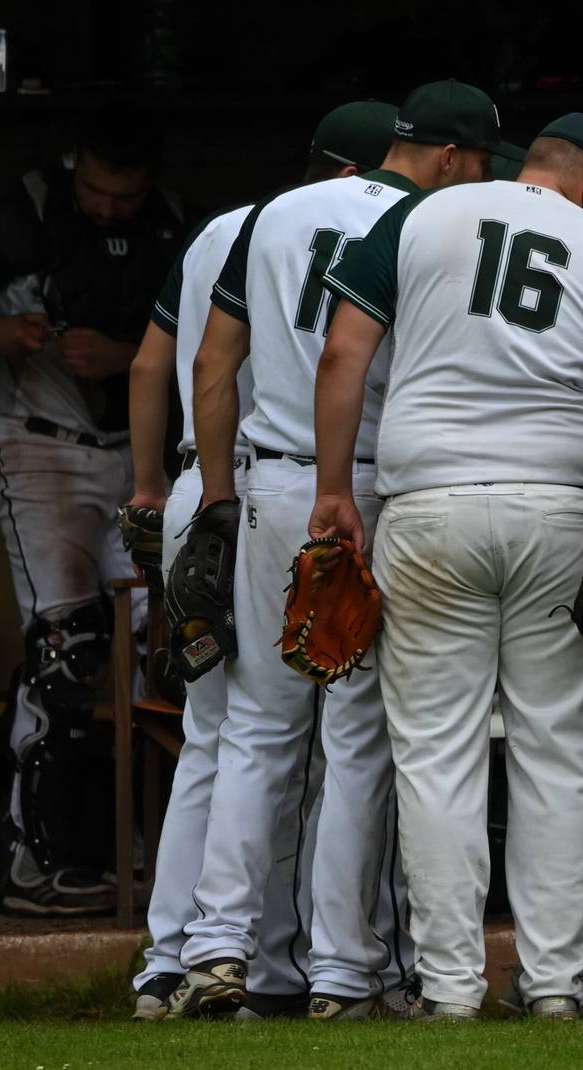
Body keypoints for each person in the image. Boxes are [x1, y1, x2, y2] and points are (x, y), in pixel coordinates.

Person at [171, 83, 503, 1018]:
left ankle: (215, 950)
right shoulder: (431, 222)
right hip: (368, 485)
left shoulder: (274, 212)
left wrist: (220, 501)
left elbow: (211, 363)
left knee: (256, 727)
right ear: (446, 156)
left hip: (272, 482)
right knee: (358, 739)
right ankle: (342, 973)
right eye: (477, 161)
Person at [312, 113, 583, 1021]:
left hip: (430, 501)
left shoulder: (422, 214)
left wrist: (334, 489)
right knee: (561, 751)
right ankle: (556, 986)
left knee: (435, 752)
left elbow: (343, 353)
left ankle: (451, 988)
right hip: (558, 504)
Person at [124, 102, 398, 1021]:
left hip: (214, 484)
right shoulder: (402, 219)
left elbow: (154, 366)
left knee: (225, 734)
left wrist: (156, 493)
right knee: (340, 741)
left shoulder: (231, 227)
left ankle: (182, 957)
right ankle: (323, 967)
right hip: (323, 480)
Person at [0, 101, 186, 915]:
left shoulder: (174, 225)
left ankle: (154, 852)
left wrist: (128, 356)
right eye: (96, 190)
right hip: (38, 441)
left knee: (161, 651)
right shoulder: (23, 215)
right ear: (74, 165)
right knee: (67, 646)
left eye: (125, 195)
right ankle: (41, 861)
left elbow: (216, 341)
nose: (109, 208)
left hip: (137, 450)